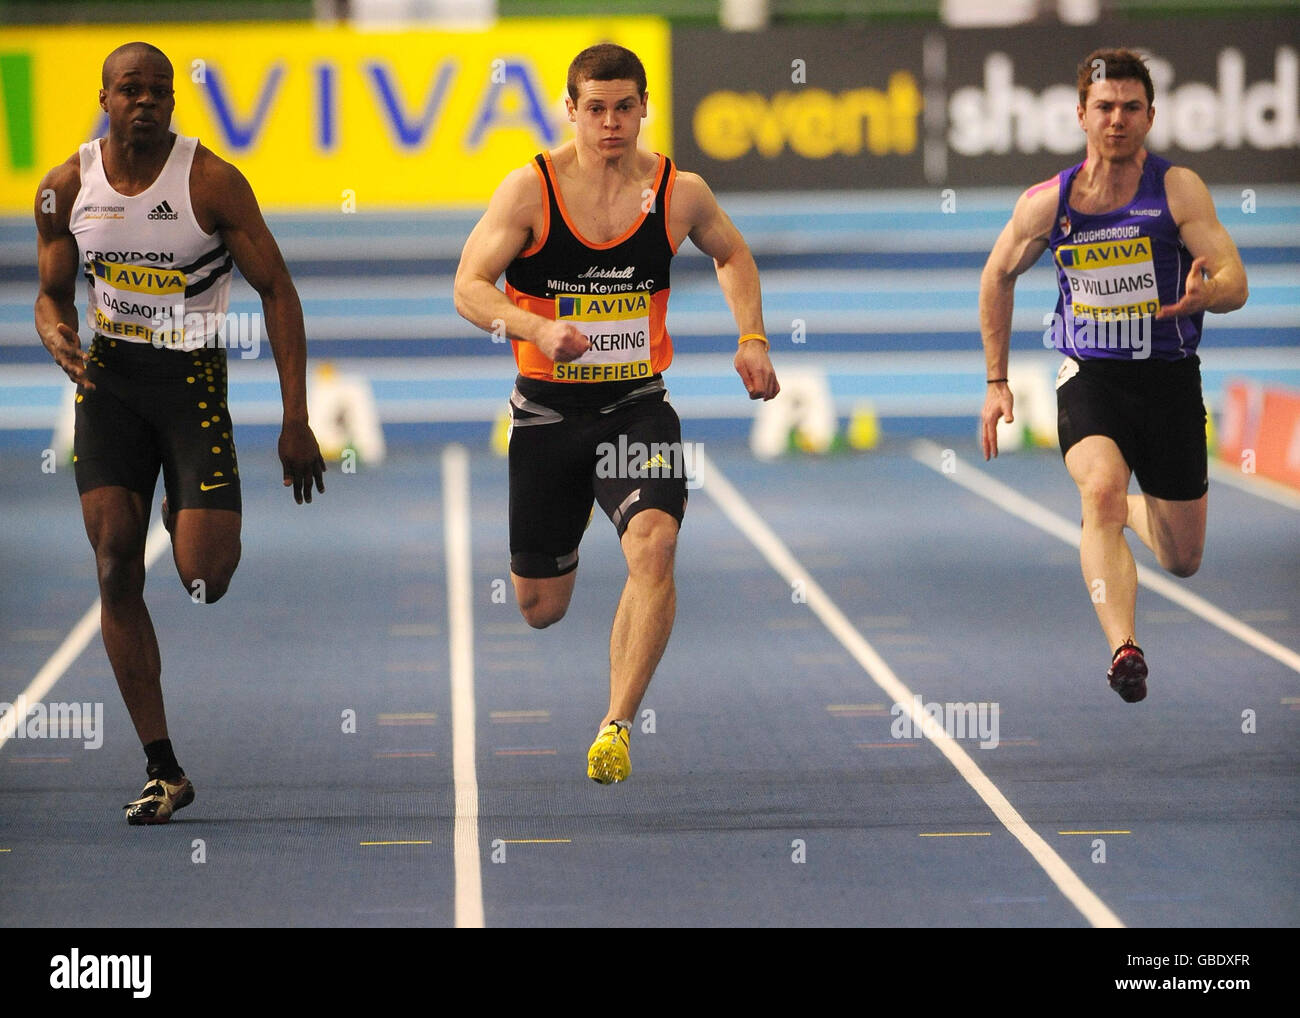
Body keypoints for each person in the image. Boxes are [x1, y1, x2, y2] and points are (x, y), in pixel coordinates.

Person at [454, 43, 779, 782]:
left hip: (636, 407)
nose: (610, 123)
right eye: (595, 108)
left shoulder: (677, 190)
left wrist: (752, 338)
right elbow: (469, 286)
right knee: (540, 606)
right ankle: (571, 553)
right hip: (546, 416)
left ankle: (616, 726)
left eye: (624, 107)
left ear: (642, 109)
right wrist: (537, 329)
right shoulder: (529, 191)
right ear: (570, 110)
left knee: (656, 546)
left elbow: (732, 255)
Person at [34, 42, 326, 823]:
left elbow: (279, 291)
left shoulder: (211, 183)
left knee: (205, 577)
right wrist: (56, 333)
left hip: (191, 381)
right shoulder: (66, 188)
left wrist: (296, 420)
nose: (147, 101)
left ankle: (185, 510)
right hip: (108, 386)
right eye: (131, 89)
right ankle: (163, 767)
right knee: (112, 566)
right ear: (104, 98)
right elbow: (51, 295)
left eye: (159, 90)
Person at [979, 48, 1247, 702]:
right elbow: (997, 276)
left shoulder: (1177, 189)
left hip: (1170, 380)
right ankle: (1124, 648)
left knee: (1183, 560)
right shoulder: (1050, 203)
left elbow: (1236, 280)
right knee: (1098, 489)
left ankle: (1136, 510)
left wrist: (1206, 296)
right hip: (1091, 377)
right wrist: (996, 381)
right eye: (1105, 108)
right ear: (1081, 115)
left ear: (1150, 116)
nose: (1117, 120)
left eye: (1131, 108)